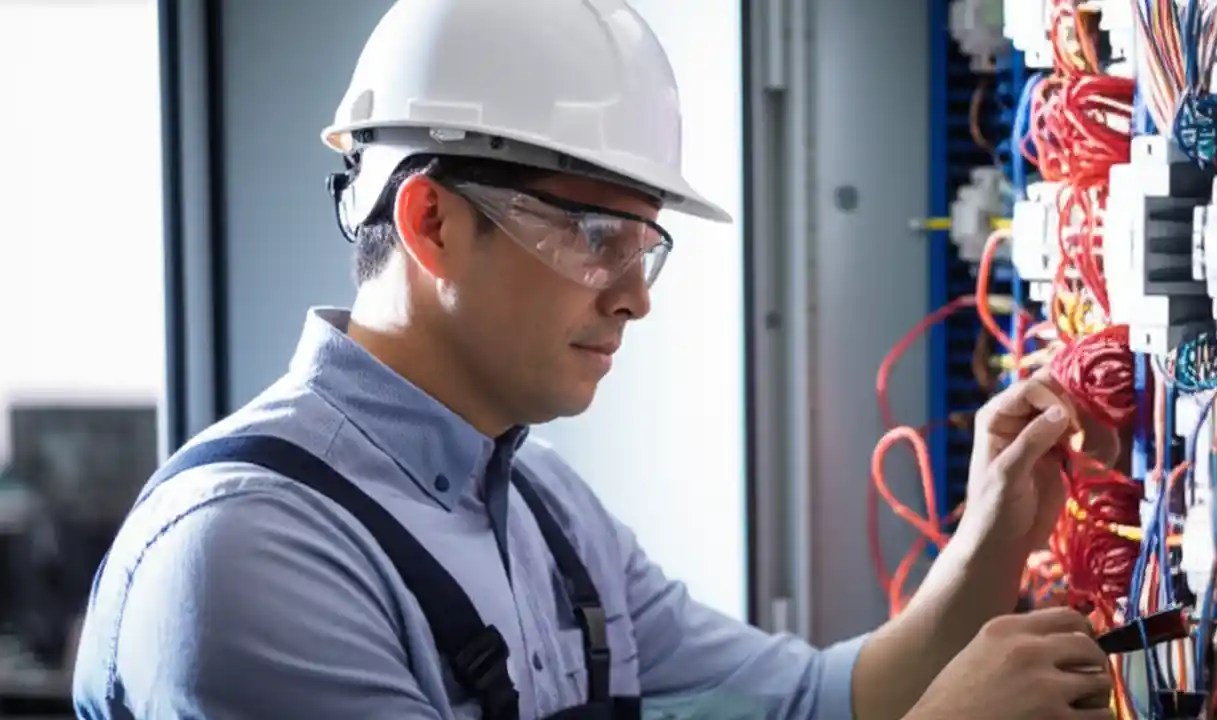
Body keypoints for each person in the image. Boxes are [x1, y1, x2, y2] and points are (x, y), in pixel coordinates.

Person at [72, 1, 1119, 718]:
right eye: (591, 236)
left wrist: (990, 536)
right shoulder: (248, 558)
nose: (635, 294)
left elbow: (814, 704)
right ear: (431, 221)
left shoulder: (543, 516)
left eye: (644, 243)